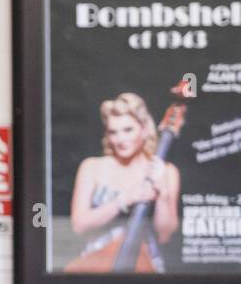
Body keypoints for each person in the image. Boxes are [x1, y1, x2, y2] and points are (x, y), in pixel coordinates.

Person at [69, 90, 179, 271]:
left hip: (144, 266)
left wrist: (163, 192)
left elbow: (165, 235)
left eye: (128, 130)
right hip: (94, 265)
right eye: (113, 132)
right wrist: (125, 200)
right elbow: (79, 225)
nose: (120, 139)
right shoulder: (91, 167)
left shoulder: (166, 171)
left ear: (144, 130)